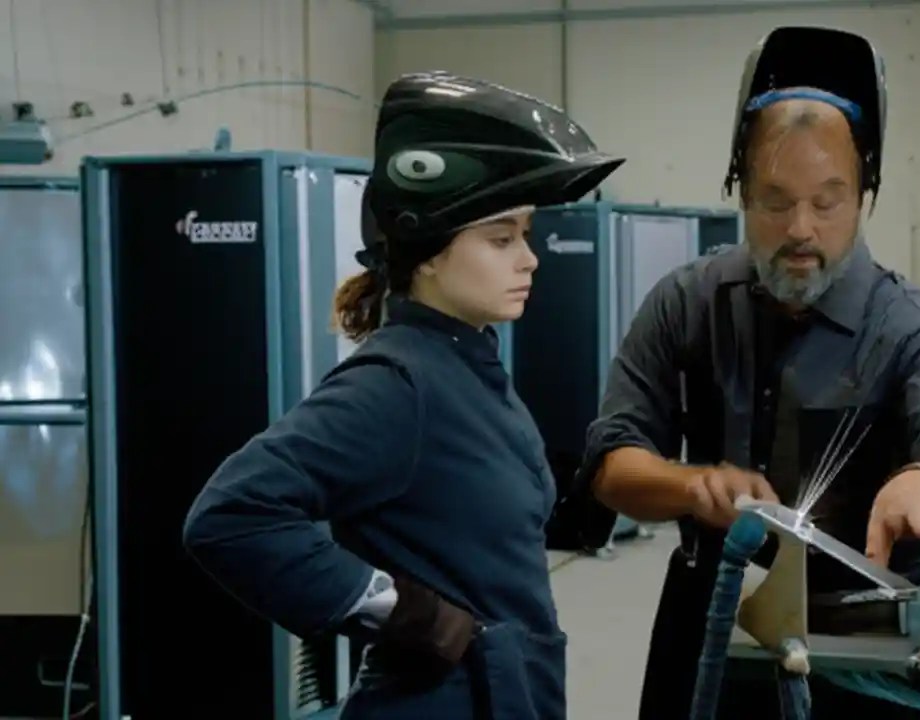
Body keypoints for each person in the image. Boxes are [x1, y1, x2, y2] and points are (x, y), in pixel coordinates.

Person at [566, 27, 920, 719]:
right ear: (739, 190)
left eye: (827, 202)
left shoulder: (909, 326)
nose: (801, 227)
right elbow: (612, 463)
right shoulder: (687, 304)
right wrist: (692, 484)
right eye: (774, 200)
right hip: (706, 621)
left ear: (864, 192)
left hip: (854, 648)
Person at [182, 71, 624, 720]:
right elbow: (229, 516)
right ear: (429, 254)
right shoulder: (395, 383)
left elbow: (459, 510)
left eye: (524, 235)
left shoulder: (468, 362)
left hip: (507, 694)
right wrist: (401, 611)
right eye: (501, 239)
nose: (528, 259)